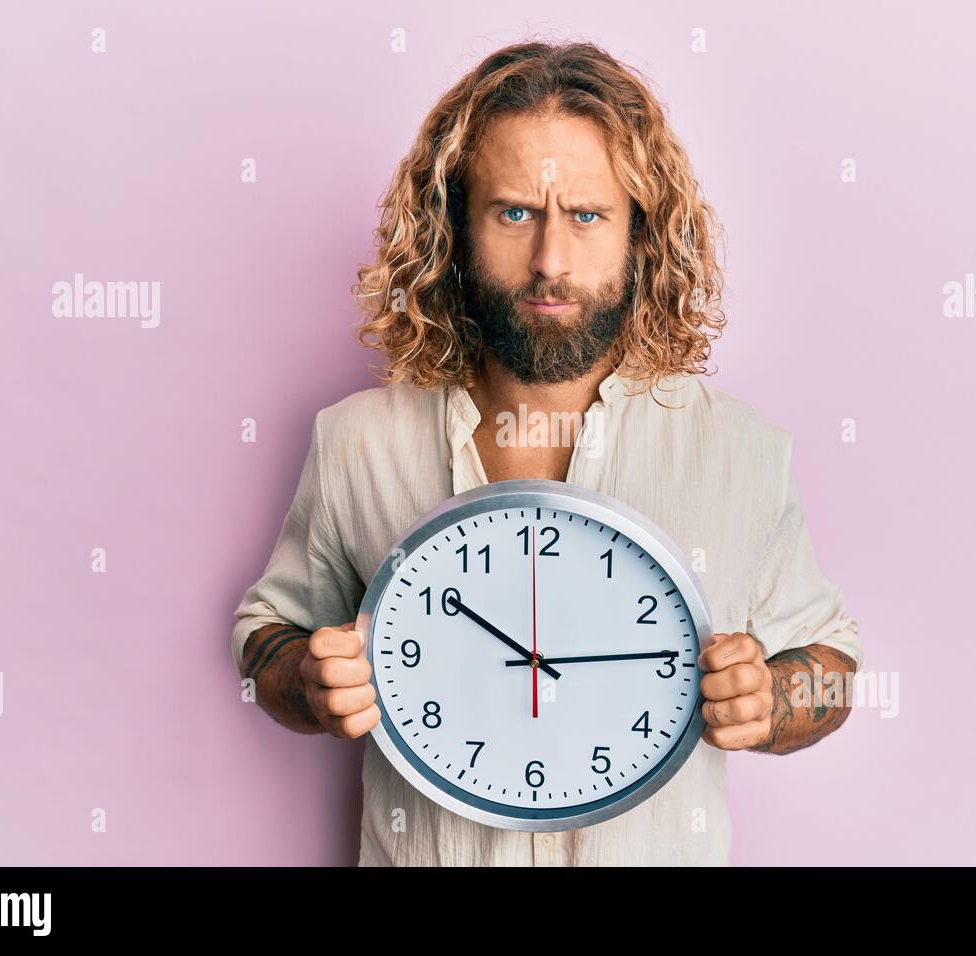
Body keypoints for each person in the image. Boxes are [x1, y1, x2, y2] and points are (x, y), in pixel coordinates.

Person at [232, 40, 863, 866]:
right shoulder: (357, 441)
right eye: (515, 212)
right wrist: (308, 685)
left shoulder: (742, 451)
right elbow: (266, 631)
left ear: (642, 233)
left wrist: (775, 700)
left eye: (588, 216)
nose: (550, 262)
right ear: (454, 228)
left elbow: (834, 665)